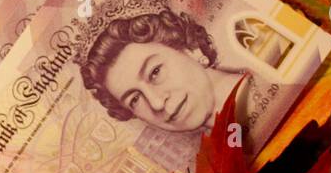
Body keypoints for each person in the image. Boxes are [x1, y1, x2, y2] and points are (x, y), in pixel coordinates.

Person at [79, 8, 243, 135]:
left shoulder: (264, 82)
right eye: (134, 99)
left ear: (189, 48)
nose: (156, 103)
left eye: (155, 72)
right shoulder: (227, 158)